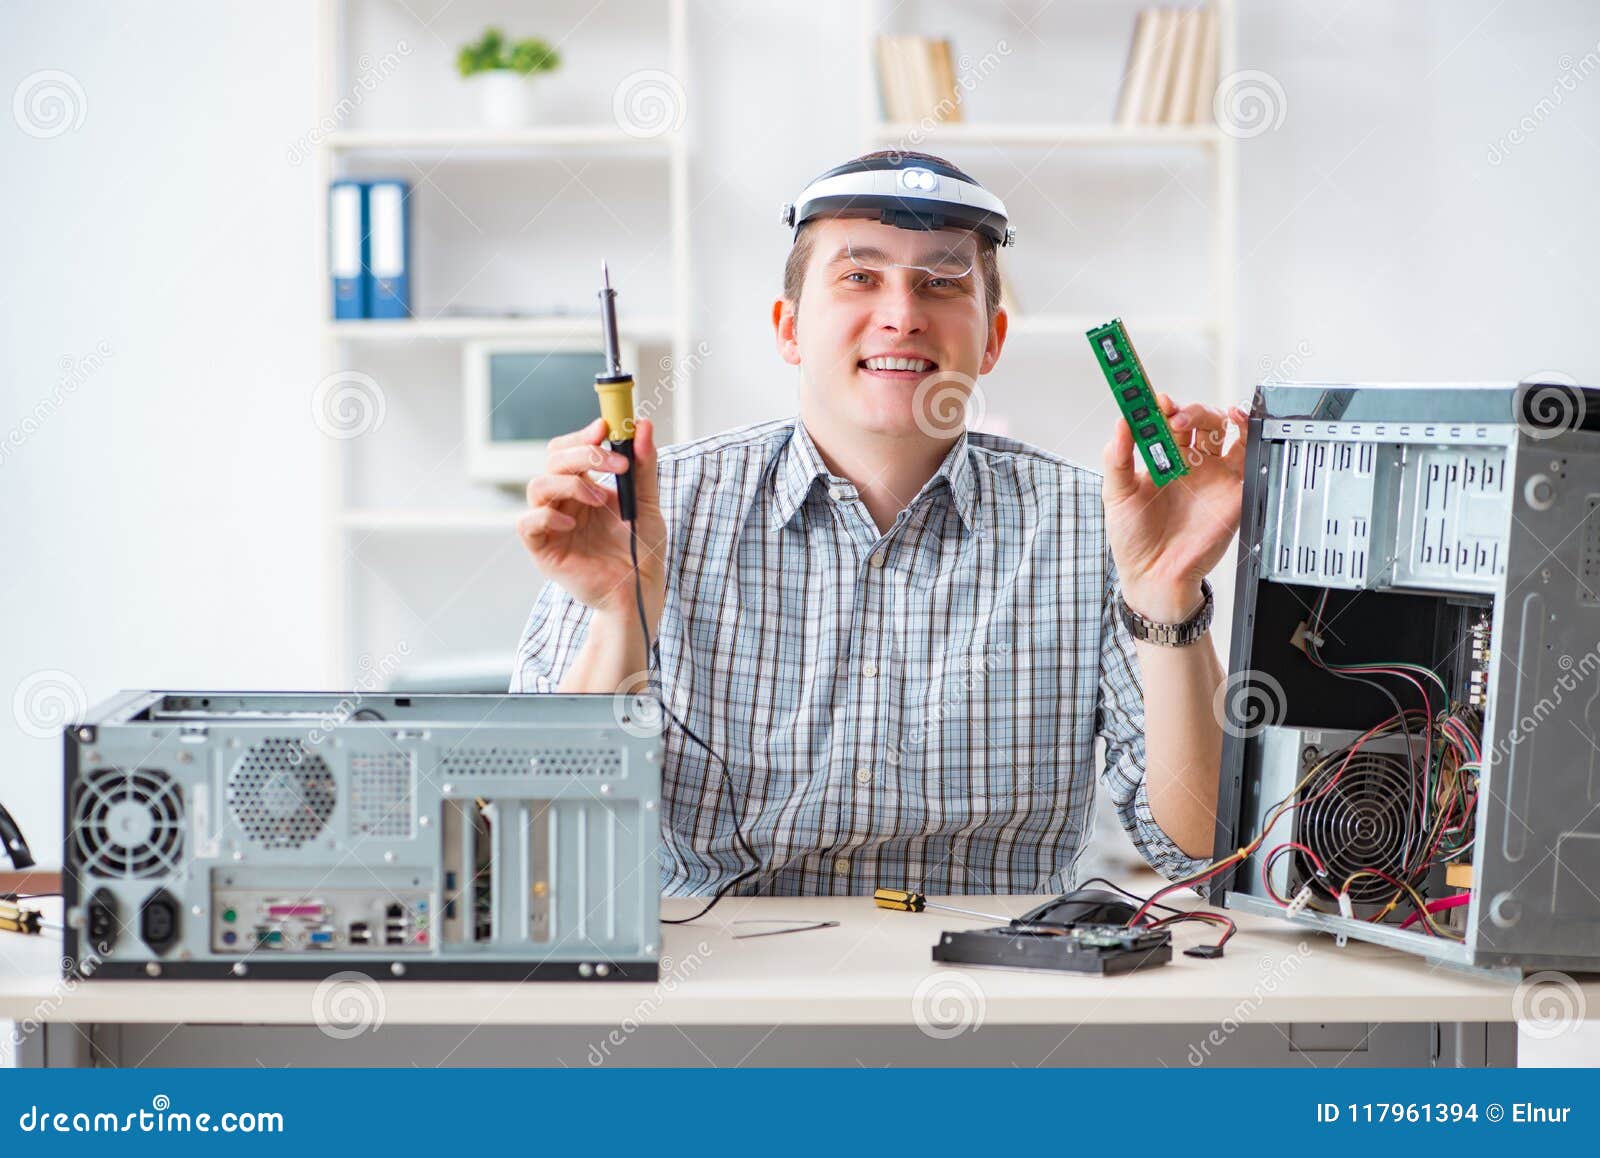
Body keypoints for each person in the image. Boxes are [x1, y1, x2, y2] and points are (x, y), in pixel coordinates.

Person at [510, 150, 1249, 897]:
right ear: (788, 328)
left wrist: (1166, 592)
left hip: (1001, 989)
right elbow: (540, 851)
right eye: (860, 277)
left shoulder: (1095, 528)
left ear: (991, 339)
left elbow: (1203, 851)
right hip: (719, 994)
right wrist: (620, 614)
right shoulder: (649, 511)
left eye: (942, 282)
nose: (902, 314)